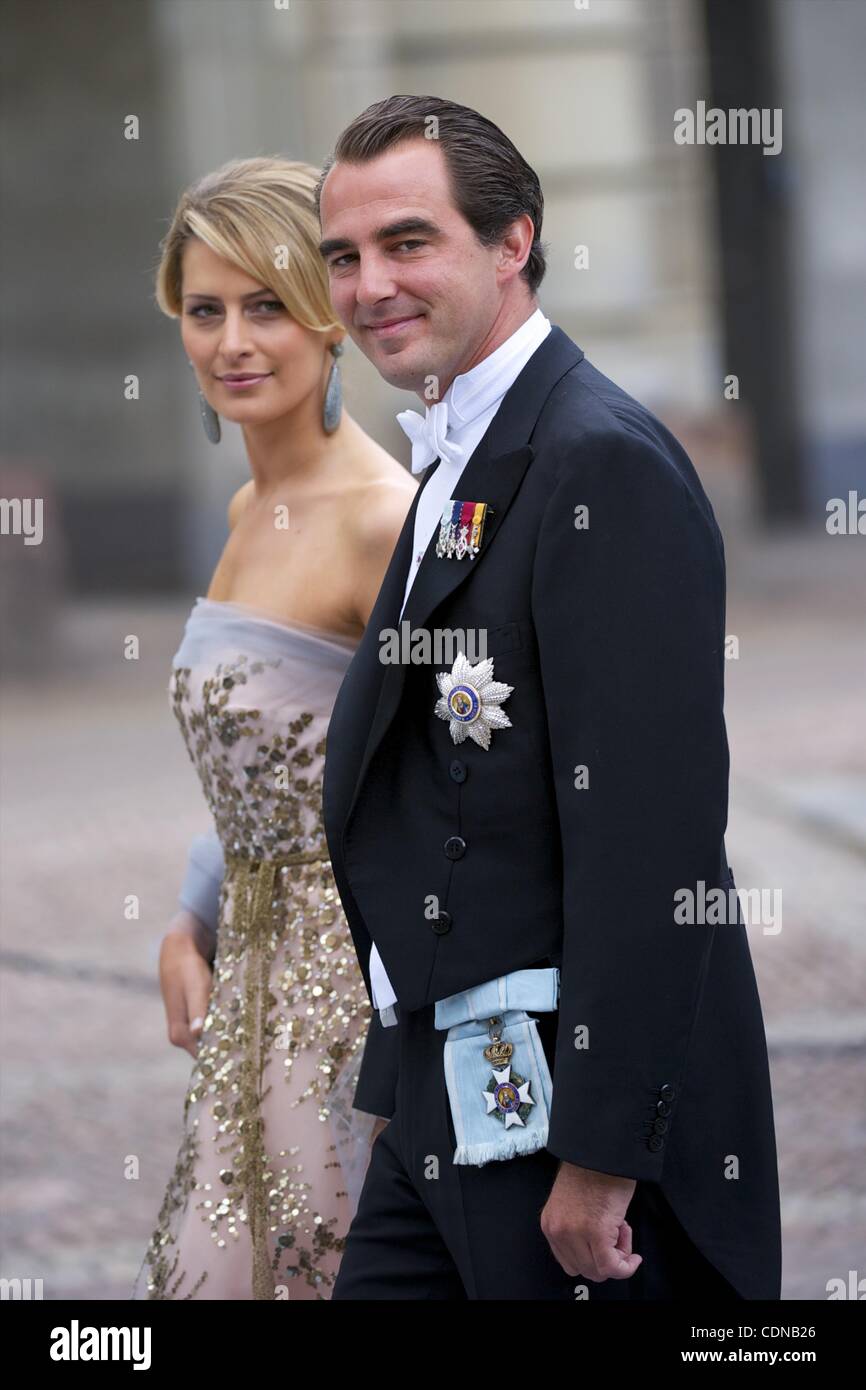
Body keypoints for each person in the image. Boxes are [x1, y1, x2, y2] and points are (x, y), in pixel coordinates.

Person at [311, 95, 783, 1300]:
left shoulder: (598, 460)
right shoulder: (463, 445)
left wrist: (600, 1152)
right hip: (440, 1093)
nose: (368, 287)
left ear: (512, 240)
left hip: (558, 1117)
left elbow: (653, 842)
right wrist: (397, 1078)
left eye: (407, 243)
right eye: (343, 257)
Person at [132, 156, 415, 1300]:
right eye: (206, 310)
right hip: (250, 985)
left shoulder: (382, 522)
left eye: (269, 305)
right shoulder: (250, 506)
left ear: (331, 320)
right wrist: (185, 922)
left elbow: (433, 791)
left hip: (352, 1000)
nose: (233, 342)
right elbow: (266, 770)